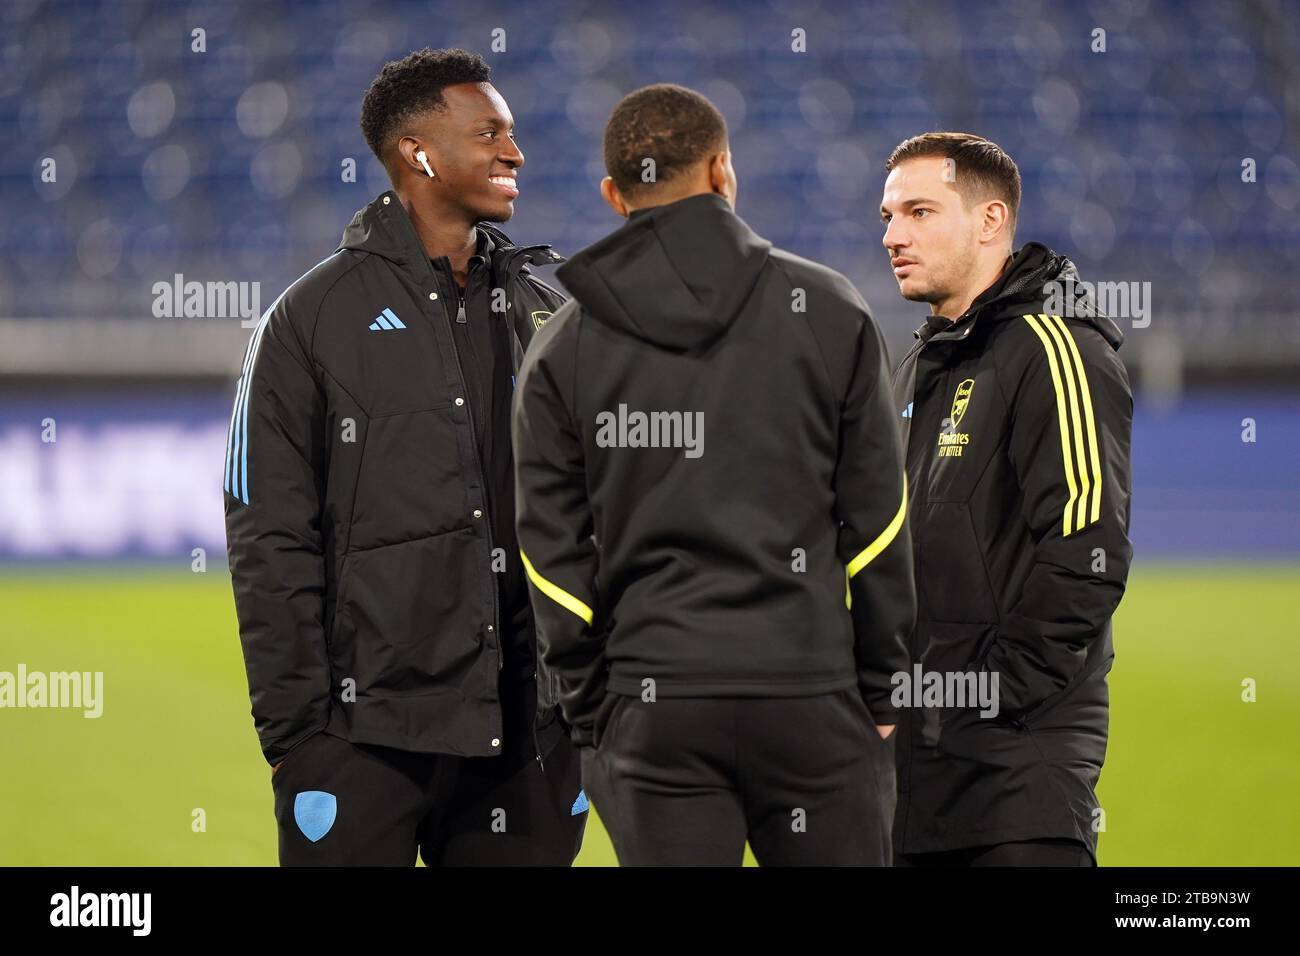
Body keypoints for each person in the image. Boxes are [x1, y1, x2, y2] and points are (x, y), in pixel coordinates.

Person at [512, 84, 915, 866]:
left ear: (613, 194)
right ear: (723, 171)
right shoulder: (830, 309)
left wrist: (594, 705)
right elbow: (878, 522)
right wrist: (881, 683)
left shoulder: (564, 346)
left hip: (654, 706)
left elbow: (549, 554)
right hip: (810, 693)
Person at [224, 47, 584, 865]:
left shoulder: (549, 309)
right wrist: (297, 737)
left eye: (513, 133)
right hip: (362, 738)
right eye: (489, 132)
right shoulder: (307, 320)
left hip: (529, 735)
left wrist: (579, 705)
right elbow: (266, 535)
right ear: (419, 155)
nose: (514, 152)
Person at [879, 132, 1133, 866]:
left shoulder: (1058, 347)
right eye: (888, 215)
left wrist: (975, 696)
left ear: (991, 220)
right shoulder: (920, 364)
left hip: (1017, 788)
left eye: (919, 211)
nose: (894, 235)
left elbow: (1088, 555)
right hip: (919, 786)